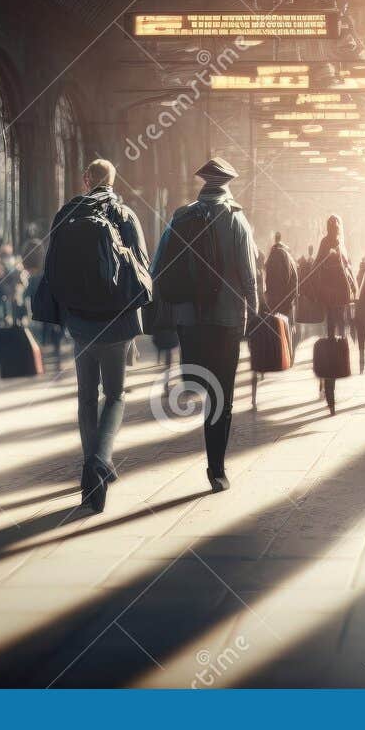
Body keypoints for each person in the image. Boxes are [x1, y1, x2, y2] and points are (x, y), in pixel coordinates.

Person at [32, 159, 149, 514]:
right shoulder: (126, 215)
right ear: (112, 181)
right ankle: (98, 461)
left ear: (86, 180)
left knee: (86, 398)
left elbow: (50, 268)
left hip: (80, 325)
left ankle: (90, 475)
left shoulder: (66, 215)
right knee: (114, 396)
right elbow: (143, 268)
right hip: (117, 326)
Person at [152, 157, 257, 492]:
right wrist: (255, 312)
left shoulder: (181, 216)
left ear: (202, 184)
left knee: (201, 382)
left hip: (189, 319)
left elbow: (158, 267)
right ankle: (217, 470)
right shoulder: (237, 219)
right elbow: (248, 273)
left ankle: (194, 381)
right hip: (226, 319)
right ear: (227, 184)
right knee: (222, 395)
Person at [311, 215, 357, 416]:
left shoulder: (338, 245)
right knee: (334, 341)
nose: (335, 229)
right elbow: (319, 267)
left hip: (334, 300)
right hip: (333, 300)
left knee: (333, 339)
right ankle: (329, 387)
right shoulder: (330, 244)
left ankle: (327, 383)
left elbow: (346, 267)